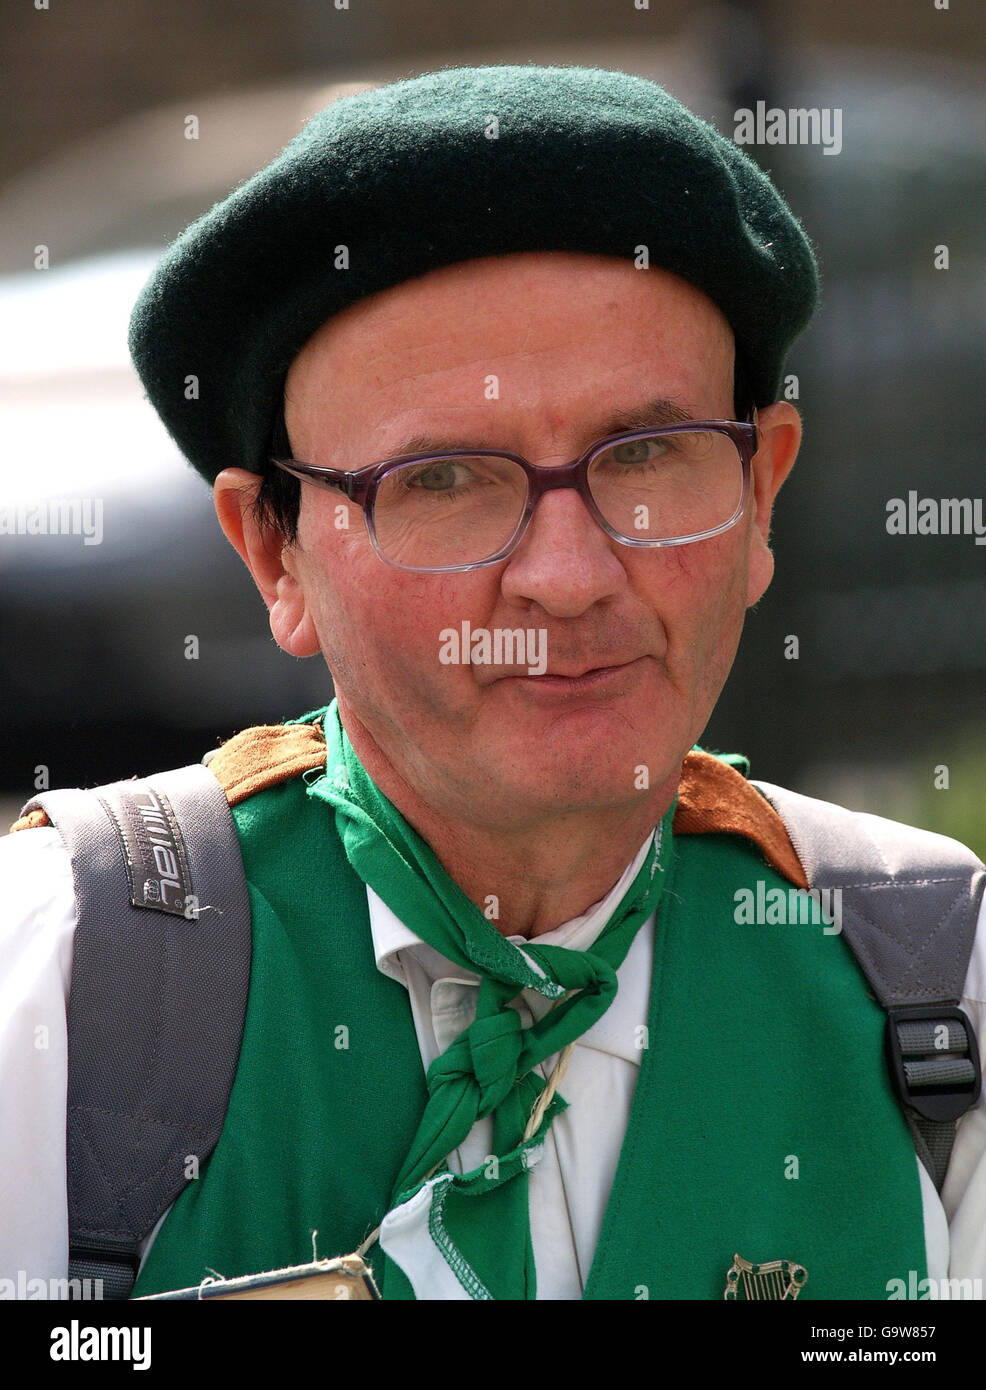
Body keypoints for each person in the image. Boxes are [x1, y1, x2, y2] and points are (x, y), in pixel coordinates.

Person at [2, 64, 984, 1303]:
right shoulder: (67, 978)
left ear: (758, 495)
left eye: (644, 456)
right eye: (444, 480)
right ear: (275, 555)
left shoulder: (933, 982)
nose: (567, 578)